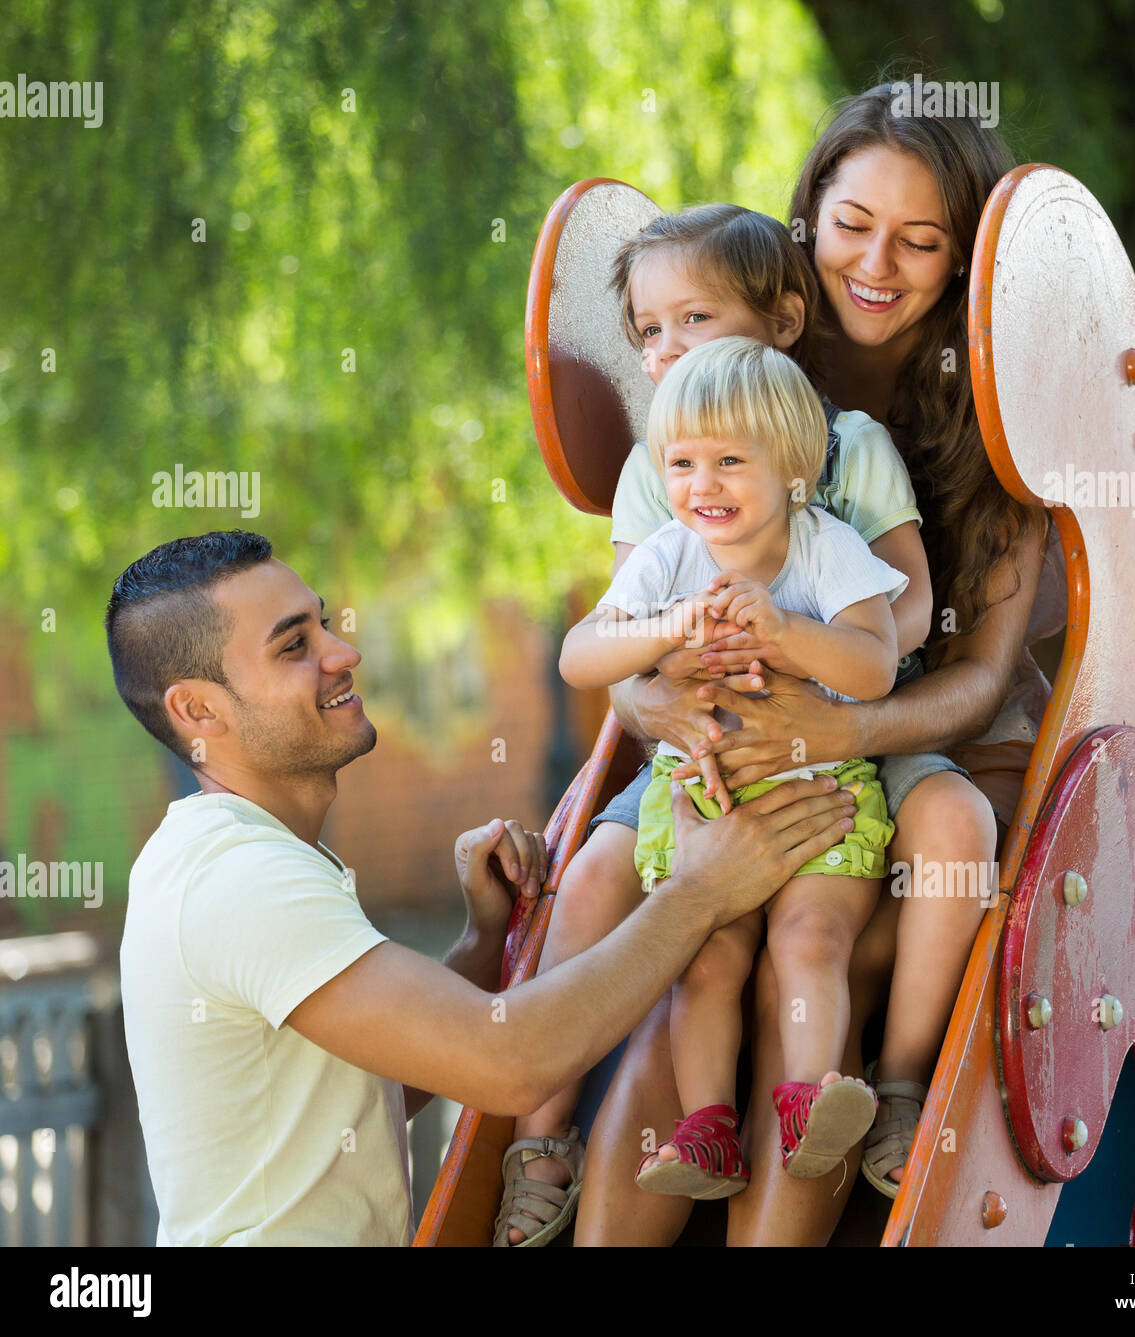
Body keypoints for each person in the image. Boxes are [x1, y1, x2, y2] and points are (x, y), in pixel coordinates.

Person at [575, 83, 1064, 1246]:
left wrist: (836, 731)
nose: (878, 263)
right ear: (805, 230)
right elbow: (634, 612)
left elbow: (974, 675)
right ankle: (566, 1158)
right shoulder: (731, 381)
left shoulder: (984, 423)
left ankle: (875, 1105)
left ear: (963, 259)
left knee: (837, 927)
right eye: (851, 226)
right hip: (746, 733)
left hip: (918, 734)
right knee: (680, 918)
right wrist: (651, 696)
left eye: (921, 238)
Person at [107, 530, 858, 1245]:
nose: (345, 652)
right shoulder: (236, 878)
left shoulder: (238, 856)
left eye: (324, 624)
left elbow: (374, 1093)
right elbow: (510, 1066)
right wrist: (699, 893)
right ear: (198, 710)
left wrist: (483, 941)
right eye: (294, 645)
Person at [496, 203, 976, 1246]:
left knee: (799, 933)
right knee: (599, 890)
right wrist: (669, 673)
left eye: (694, 319)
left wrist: (802, 667)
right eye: (649, 331)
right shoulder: (661, 478)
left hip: (833, 727)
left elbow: (894, 620)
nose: (669, 349)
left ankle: (880, 1088)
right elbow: (617, 643)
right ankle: (538, 1134)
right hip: (695, 744)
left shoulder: (841, 458)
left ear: (784, 319)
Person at [560, 335, 906, 1201]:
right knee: (705, 959)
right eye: (680, 462)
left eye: (728, 461)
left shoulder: (823, 547)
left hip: (814, 793)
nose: (701, 485)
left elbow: (877, 664)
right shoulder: (670, 555)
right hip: (705, 802)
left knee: (810, 940)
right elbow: (581, 655)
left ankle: (811, 1101)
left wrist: (787, 631)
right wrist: (671, 628)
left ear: (791, 467)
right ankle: (709, 1127)